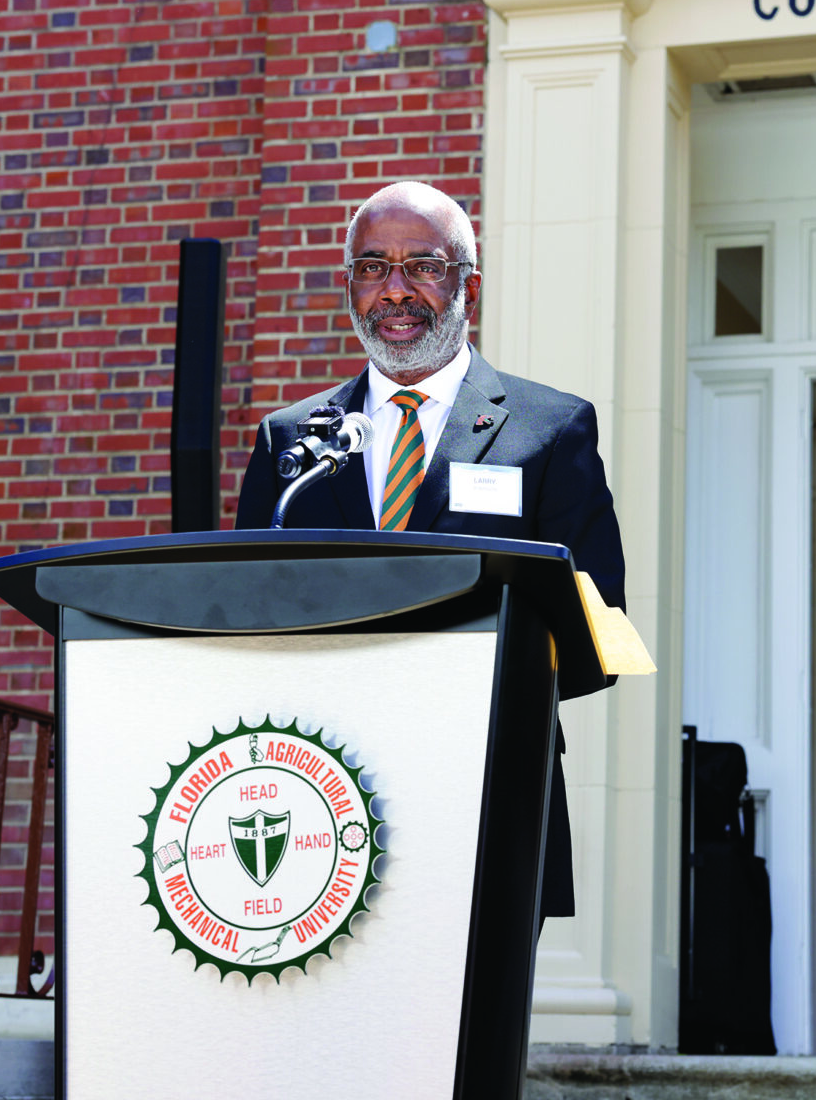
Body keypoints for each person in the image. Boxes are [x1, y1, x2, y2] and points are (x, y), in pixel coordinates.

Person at [234, 180, 626, 921]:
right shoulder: (291, 442)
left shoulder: (550, 429)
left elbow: (599, 614)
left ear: (467, 285)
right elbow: (250, 607)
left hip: (488, 778)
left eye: (423, 265)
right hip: (321, 788)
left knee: (474, 1030)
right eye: (374, 267)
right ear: (350, 286)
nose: (396, 290)